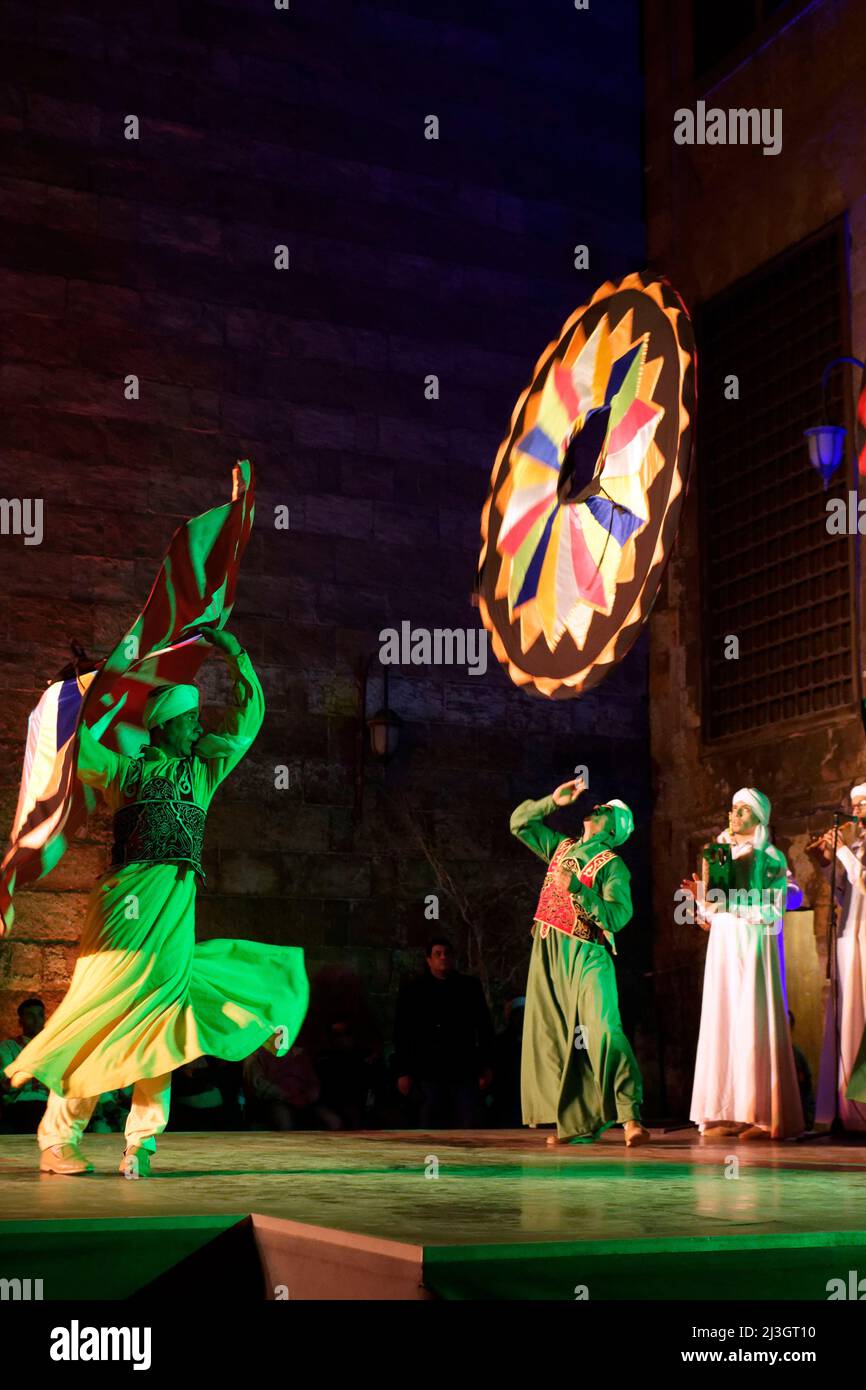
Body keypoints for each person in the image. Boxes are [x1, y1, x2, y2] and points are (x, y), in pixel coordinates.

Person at [2, 627, 308, 1177]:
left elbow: (248, 720)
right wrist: (74, 692)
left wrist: (235, 652)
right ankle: (57, 1138)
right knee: (101, 1009)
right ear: (166, 725)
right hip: (125, 907)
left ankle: (140, 1143)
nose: (198, 727)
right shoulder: (129, 771)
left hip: (174, 908)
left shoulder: (203, 772)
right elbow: (77, 752)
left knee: (161, 1024)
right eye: (190, 720)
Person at [510, 777, 649, 1147]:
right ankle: (576, 1123)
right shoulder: (561, 847)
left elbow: (618, 917)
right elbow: (519, 823)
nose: (596, 808)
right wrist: (552, 802)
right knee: (554, 1037)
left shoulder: (612, 864)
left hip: (587, 953)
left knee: (603, 1030)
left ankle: (630, 1115)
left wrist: (577, 889)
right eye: (598, 806)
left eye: (605, 810)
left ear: (615, 826)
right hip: (548, 952)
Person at [683, 787, 803, 1141]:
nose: (732, 815)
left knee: (752, 1022)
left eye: (741, 809)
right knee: (725, 1022)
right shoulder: (720, 854)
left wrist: (732, 905)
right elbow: (713, 912)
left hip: (752, 947)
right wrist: (701, 901)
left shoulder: (771, 857)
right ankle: (728, 1111)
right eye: (732, 808)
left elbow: (777, 907)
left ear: (758, 816)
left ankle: (759, 1114)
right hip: (723, 945)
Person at [806, 783, 866, 1131]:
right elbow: (847, 892)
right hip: (850, 934)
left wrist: (843, 852)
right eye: (854, 805)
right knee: (850, 1016)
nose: (856, 811)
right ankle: (851, 1107)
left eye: (862, 805)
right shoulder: (856, 846)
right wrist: (825, 861)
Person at [393, 939, 495, 1128]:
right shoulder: (414, 989)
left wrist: (485, 1065)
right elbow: (402, 1031)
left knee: (466, 1119)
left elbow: (483, 1026)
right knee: (431, 1118)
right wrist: (403, 1071)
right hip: (427, 1067)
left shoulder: (468, 987)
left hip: (462, 1065)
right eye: (438, 954)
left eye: (447, 953)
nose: (443, 958)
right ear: (429, 959)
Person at [0, 998, 49, 1133]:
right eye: (30, 1016)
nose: (36, 1020)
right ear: (20, 1022)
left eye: (40, 1015)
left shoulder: (55, 1048)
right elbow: (5, 1080)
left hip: (51, 1104)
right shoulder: (9, 1047)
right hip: (20, 1104)